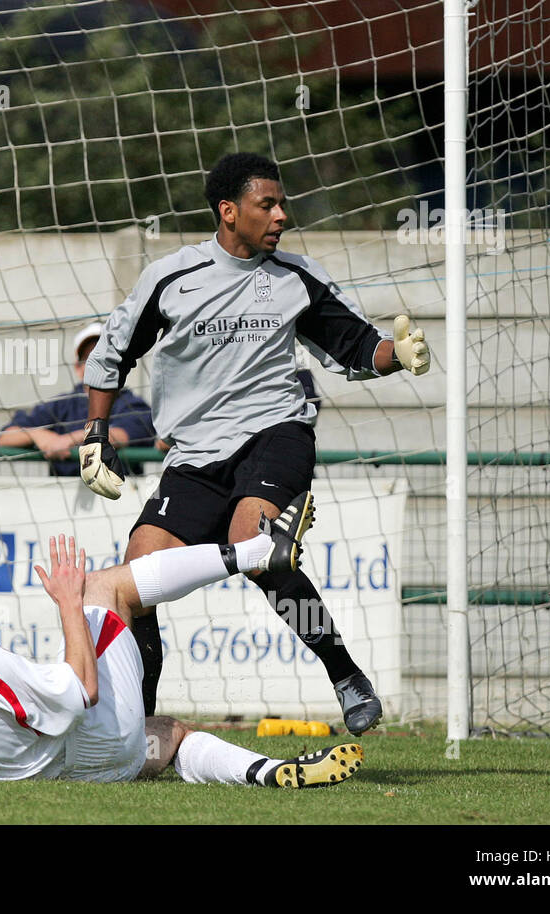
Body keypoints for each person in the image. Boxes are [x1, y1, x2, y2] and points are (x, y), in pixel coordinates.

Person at [78, 152, 431, 732]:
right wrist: (96, 433)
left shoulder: (295, 277)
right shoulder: (171, 279)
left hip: (277, 433)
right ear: (228, 211)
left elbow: (356, 347)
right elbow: (111, 353)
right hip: (194, 456)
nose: (281, 216)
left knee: (252, 544)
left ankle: (346, 677)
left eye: (282, 204)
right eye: (267, 204)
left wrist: (399, 356)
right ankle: (134, 728)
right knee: (134, 579)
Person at [0, 492, 363, 786]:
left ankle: (268, 772)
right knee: (109, 586)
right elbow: (84, 691)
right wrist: (69, 604)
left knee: (168, 734)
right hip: (89, 748)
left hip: (95, 771)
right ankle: (253, 554)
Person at [0, 321, 155, 477]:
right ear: (78, 368)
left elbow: (126, 434)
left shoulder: (131, 404)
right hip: (61, 496)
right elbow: (5, 437)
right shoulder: (61, 405)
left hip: (119, 495)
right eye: (91, 358)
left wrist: (70, 439)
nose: (99, 364)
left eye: (106, 357)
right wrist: (38, 435)